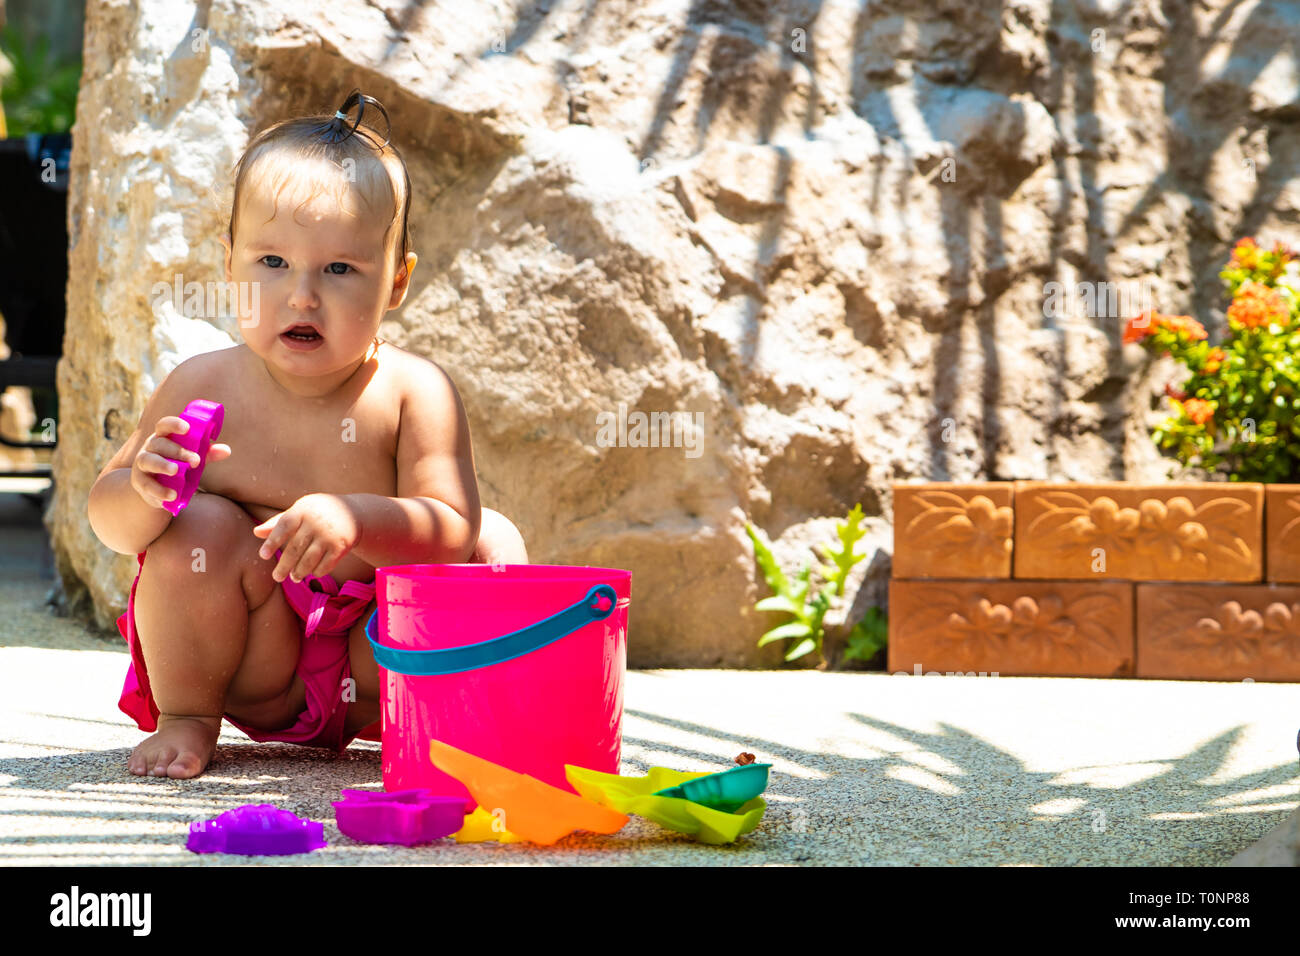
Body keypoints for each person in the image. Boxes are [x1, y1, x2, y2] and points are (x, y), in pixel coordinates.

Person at [87, 90, 528, 780]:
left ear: (396, 283)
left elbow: (451, 528)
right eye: (272, 264)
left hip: (378, 665)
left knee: (495, 539)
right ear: (230, 264)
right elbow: (112, 524)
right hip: (255, 660)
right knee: (195, 529)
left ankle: (465, 722)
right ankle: (188, 717)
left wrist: (356, 517)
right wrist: (145, 491)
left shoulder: (415, 393)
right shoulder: (203, 386)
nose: (302, 295)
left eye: (340, 269)